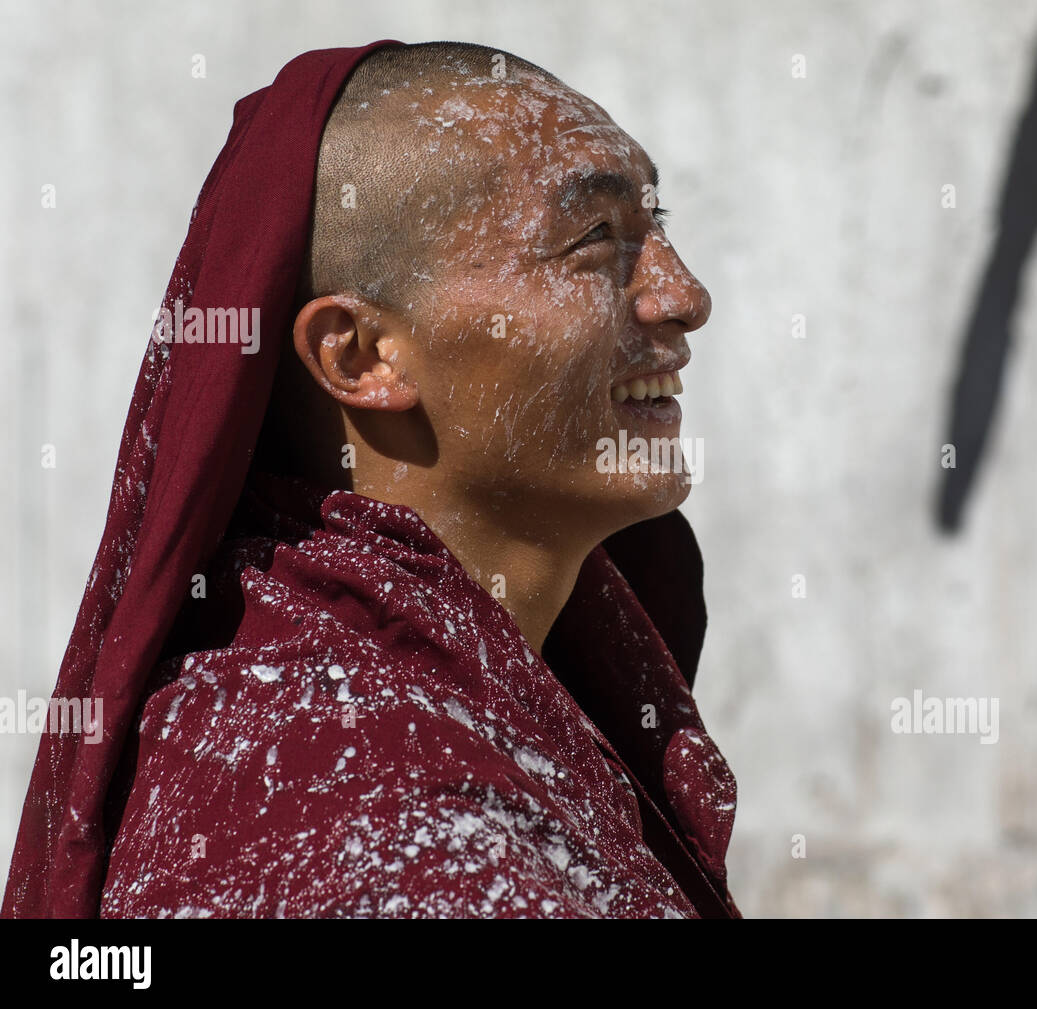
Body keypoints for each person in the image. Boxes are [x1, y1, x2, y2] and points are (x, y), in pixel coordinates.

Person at [3, 40, 740, 919]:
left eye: (659, 225)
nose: (684, 294)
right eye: (595, 240)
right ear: (359, 354)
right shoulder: (357, 813)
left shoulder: (478, 700)